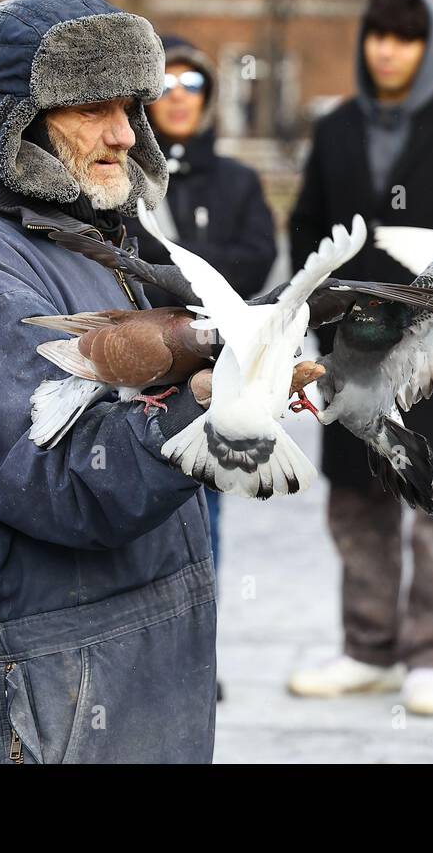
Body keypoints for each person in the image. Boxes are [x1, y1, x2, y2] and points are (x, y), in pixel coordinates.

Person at [0, 0, 217, 764]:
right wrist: (205, 404)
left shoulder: (103, 243)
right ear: (18, 121)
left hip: (127, 663)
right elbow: (63, 481)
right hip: (43, 693)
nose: (121, 133)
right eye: (88, 110)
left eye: (129, 106)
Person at [287, 0, 433, 716]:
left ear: (430, 47)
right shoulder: (336, 130)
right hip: (351, 359)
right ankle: (368, 648)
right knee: (357, 509)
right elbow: (306, 233)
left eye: (405, 37)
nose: (387, 50)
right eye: (378, 35)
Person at [139, 34, 277, 570]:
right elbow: (118, 260)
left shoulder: (238, 181)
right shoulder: (128, 183)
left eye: (192, 82)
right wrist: (206, 266)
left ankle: (198, 622)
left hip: (213, 374)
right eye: (166, 83)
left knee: (203, 505)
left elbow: (257, 258)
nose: (179, 95)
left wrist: (173, 265)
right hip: (141, 373)